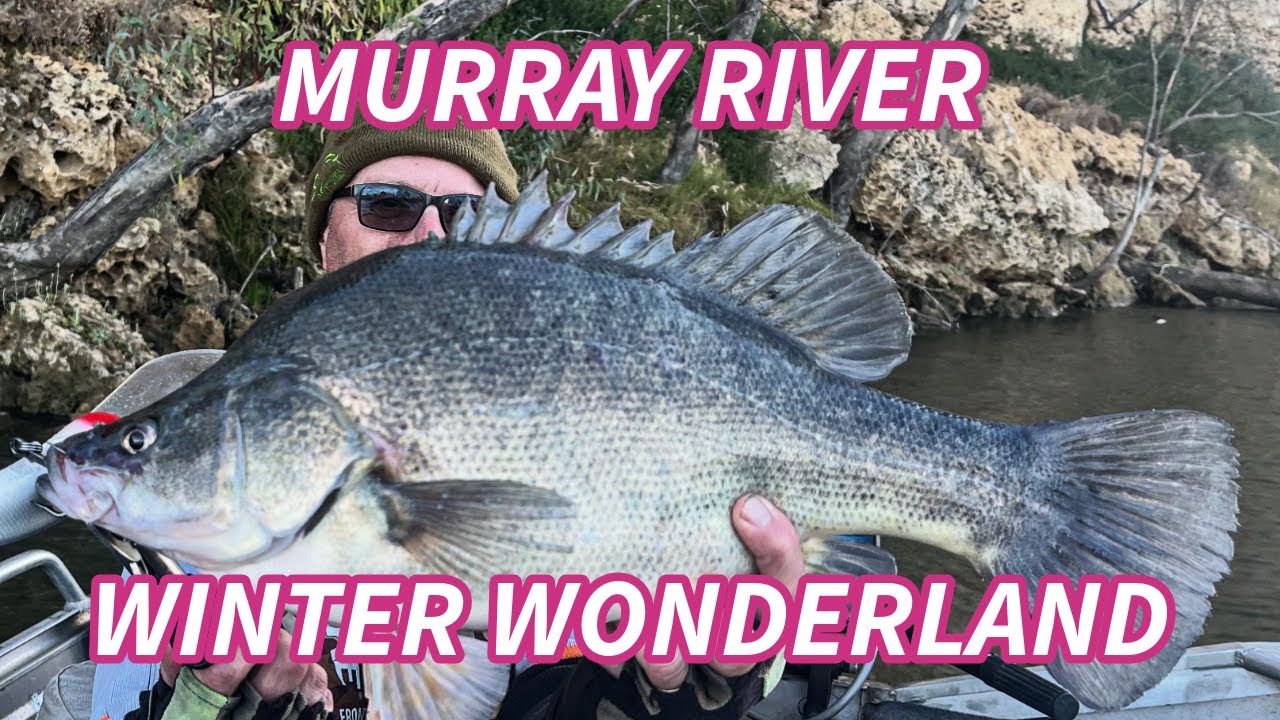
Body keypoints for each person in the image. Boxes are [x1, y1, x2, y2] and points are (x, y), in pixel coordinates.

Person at [36, 119, 809, 720]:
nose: (431, 236)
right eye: (389, 204)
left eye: (467, 214)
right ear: (326, 241)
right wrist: (206, 705)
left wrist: (687, 696)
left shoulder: (578, 398)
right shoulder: (179, 540)